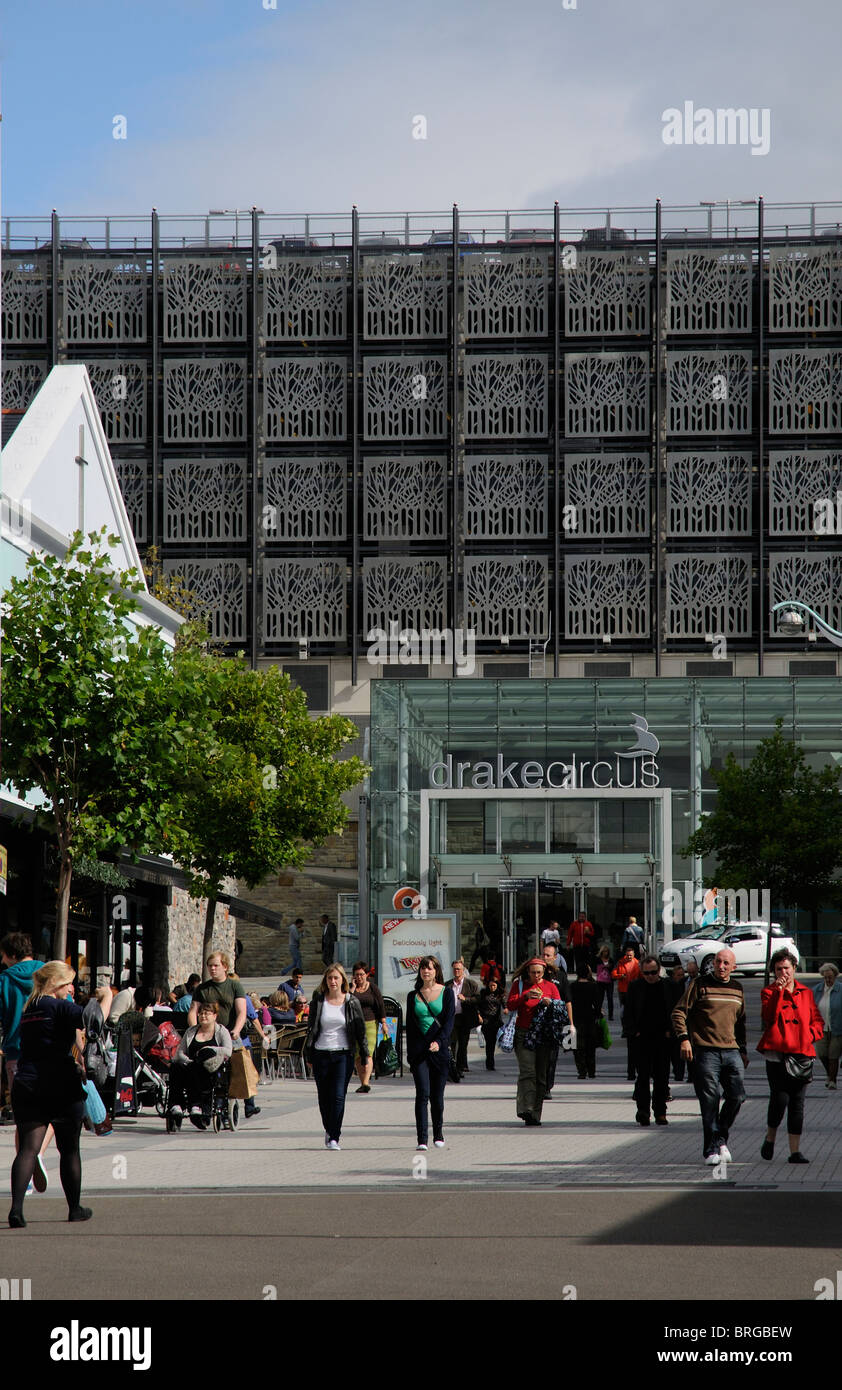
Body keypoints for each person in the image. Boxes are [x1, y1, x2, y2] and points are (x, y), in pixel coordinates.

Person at [8, 961, 92, 1227]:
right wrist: (104, 998)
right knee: (69, 1150)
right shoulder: (59, 1005)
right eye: (68, 983)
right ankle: (74, 1208)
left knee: (28, 1149)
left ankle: (17, 1209)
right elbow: (91, 1018)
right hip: (60, 1083)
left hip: (27, 1082)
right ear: (55, 983)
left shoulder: (29, 1008)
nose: (71, 988)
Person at [671, 947, 748, 1165]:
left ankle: (720, 1137)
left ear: (734, 967)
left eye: (726, 963)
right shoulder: (699, 984)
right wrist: (684, 1038)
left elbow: (740, 1022)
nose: (721, 967)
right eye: (718, 962)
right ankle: (712, 1150)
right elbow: (678, 1012)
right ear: (712, 964)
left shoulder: (737, 988)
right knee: (710, 1100)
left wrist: (742, 1049)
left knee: (737, 1096)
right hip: (705, 1051)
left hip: (731, 1051)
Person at [757, 948, 825, 1164]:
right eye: (778, 969)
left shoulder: (805, 992)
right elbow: (768, 1017)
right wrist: (778, 992)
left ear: (794, 968)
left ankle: (794, 1151)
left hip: (801, 1054)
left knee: (797, 1102)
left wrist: (810, 1034)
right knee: (780, 1098)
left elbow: (817, 1021)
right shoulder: (768, 992)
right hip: (777, 1054)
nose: (783, 973)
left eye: (786, 968)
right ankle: (770, 1137)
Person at [0, 933, 53, 1191]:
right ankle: (38, 1153)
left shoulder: (4, 980)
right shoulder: (48, 974)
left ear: (10, 954)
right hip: (46, 1053)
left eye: (2, 955)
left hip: (16, 1054)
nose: (1, 960)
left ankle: (26, 1178)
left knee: (24, 1117)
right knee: (52, 1112)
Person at [305, 964, 367, 1150]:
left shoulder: (351, 1001)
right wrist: (309, 1053)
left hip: (343, 1053)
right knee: (324, 1097)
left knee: (338, 1096)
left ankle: (334, 1136)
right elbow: (311, 1029)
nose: (333, 981)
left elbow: (360, 1030)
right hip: (321, 1053)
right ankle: (329, 1128)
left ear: (343, 980)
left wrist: (364, 1054)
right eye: (330, 978)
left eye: (336, 978)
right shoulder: (318, 1001)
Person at [405, 956, 455, 1150]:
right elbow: (410, 1026)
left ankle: (439, 1134)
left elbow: (449, 1023)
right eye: (423, 968)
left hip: (439, 1051)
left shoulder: (447, 992)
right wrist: (410, 1054)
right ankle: (422, 1139)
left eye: (430, 968)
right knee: (422, 1094)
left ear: (436, 971)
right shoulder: (413, 995)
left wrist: (439, 1042)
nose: (426, 972)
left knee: (437, 1096)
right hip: (419, 1053)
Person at [506, 959, 560, 1126]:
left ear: (544, 972)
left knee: (541, 1076)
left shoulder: (551, 987)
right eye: (533, 972)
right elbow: (510, 1004)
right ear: (527, 972)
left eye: (539, 972)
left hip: (544, 1035)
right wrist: (525, 996)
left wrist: (548, 1002)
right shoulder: (519, 985)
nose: (536, 976)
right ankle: (526, 1108)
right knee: (527, 1071)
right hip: (524, 1033)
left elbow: (560, 1006)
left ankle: (535, 1114)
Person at [169, 1000, 233, 1127]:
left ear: (214, 1016)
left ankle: (196, 1105)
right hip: (190, 1065)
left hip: (208, 1069)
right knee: (176, 1066)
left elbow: (228, 1051)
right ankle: (176, 1105)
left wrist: (210, 1049)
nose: (203, 1016)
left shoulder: (221, 1031)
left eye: (207, 1013)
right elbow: (180, 1052)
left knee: (205, 1055)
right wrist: (187, 1061)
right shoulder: (191, 1031)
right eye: (201, 1013)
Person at [624, 957, 672, 1125]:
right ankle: (643, 1111)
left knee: (662, 1077)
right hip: (642, 1039)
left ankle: (660, 1112)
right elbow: (628, 1012)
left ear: (659, 971)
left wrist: (670, 1031)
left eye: (653, 972)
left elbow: (674, 1011)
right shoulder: (635, 986)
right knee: (643, 1077)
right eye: (646, 973)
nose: (650, 976)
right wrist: (633, 1032)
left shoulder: (668, 986)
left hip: (662, 1039)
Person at [188, 951, 247, 1043]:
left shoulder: (235, 986)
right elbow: (193, 1011)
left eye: (216, 965)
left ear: (225, 967)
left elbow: (242, 1012)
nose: (212, 968)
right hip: (207, 1035)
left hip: (229, 1034)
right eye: (210, 966)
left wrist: (236, 1030)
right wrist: (195, 1030)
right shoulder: (201, 988)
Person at [540, 944, 573, 1097]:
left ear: (555, 957)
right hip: (538, 1022)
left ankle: (547, 1087)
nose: (545, 958)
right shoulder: (536, 974)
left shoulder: (560, 976)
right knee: (538, 1056)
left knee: (552, 1057)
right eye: (543, 955)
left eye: (548, 955)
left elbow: (568, 1001)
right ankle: (539, 1085)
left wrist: (571, 1024)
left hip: (555, 1023)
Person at [349, 960, 387, 1093]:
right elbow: (348, 1005)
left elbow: (380, 1005)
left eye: (361, 974)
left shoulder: (373, 988)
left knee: (368, 1053)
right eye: (356, 975)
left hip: (371, 1023)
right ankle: (362, 1082)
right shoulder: (351, 989)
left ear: (366, 975)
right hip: (355, 1024)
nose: (359, 977)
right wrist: (352, 989)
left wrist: (384, 1023)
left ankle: (366, 1082)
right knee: (358, 1054)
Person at [446, 958, 480, 1078]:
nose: (456, 971)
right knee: (452, 1043)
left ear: (463, 970)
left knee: (463, 1045)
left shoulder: (471, 984)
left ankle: (460, 1068)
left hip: (465, 1018)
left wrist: (466, 999)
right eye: (455, 969)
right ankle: (452, 1068)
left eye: (459, 969)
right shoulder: (448, 985)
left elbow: (478, 999)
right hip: (452, 1018)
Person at [612, 947, 641, 1080]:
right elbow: (613, 974)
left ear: (634, 955)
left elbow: (641, 975)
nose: (629, 957)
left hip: (634, 990)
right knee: (623, 1011)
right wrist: (620, 976)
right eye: (627, 955)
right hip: (623, 989)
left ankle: (629, 1027)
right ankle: (625, 1028)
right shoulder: (620, 962)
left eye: (631, 955)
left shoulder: (637, 963)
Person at [813, 963, 842, 1089]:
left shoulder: (840, 989)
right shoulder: (817, 990)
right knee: (822, 1054)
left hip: (837, 1028)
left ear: (835, 976)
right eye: (825, 977)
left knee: (833, 1056)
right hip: (821, 1028)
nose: (828, 980)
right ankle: (829, 1075)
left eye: (830, 977)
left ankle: (832, 1081)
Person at [570, 963, 600, 1080]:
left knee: (578, 1047)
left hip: (576, 1019)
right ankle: (591, 1071)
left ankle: (581, 1071)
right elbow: (597, 1004)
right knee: (590, 1047)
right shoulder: (593, 986)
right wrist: (598, 1014)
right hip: (590, 1018)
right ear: (588, 973)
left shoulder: (572, 986)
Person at [478, 976, 505, 1070]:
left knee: (492, 1043)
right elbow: (478, 1005)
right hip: (486, 1021)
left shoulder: (500, 995)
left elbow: (504, 1004)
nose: (492, 987)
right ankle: (489, 1063)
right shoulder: (483, 993)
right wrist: (479, 1015)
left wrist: (506, 1009)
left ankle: (490, 1062)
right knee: (489, 1042)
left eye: (494, 985)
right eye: (490, 986)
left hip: (495, 1021)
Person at [595, 945, 615, 1021]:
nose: (605, 953)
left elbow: (613, 969)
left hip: (609, 981)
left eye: (606, 951)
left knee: (610, 998)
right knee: (600, 998)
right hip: (600, 981)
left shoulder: (611, 960)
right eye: (604, 951)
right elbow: (594, 967)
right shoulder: (598, 960)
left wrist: (608, 967)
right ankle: (598, 1013)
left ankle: (611, 1015)